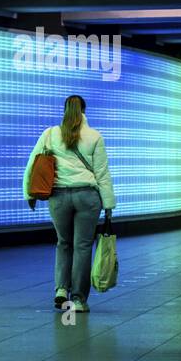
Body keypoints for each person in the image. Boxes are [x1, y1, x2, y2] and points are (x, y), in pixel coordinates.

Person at [22, 95, 115, 313]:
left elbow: (32, 163)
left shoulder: (50, 134)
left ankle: (61, 290)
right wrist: (109, 204)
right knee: (82, 247)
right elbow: (102, 174)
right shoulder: (94, 137)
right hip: (87, 197)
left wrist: (29, 194)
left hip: (58, 196)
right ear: (84, 111)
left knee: (64, 243)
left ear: (64, 110)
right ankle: (79, 300)